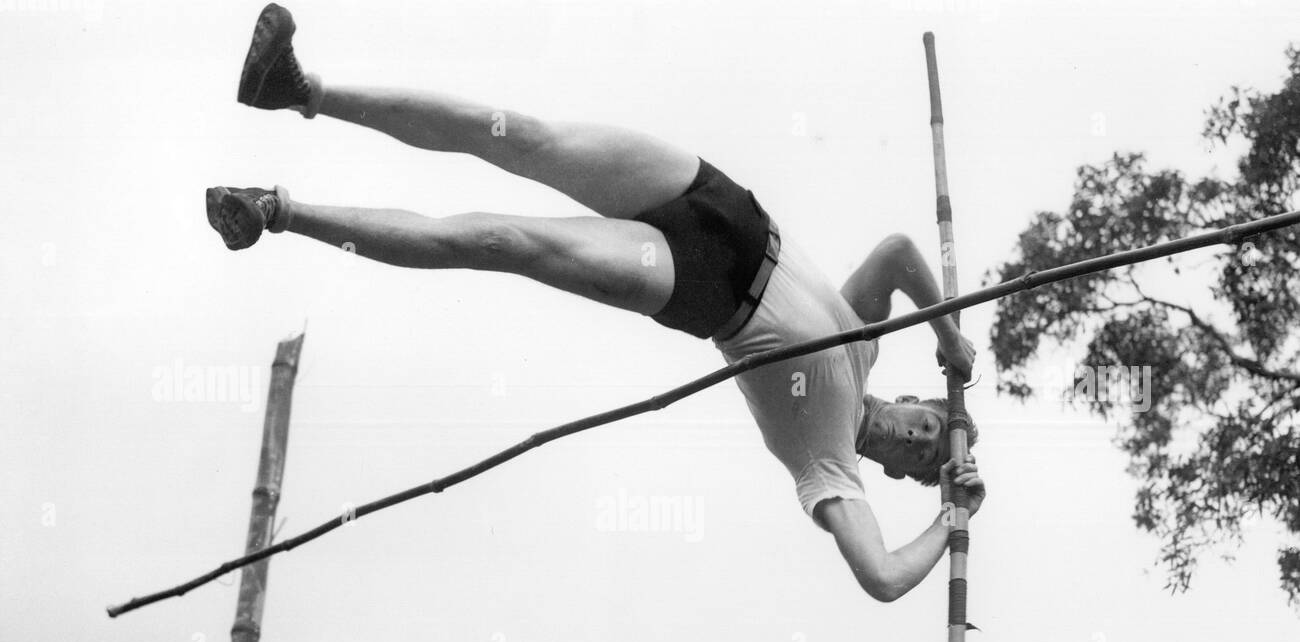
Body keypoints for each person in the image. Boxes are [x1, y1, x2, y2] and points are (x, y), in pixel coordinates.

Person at [209, 4, 986, 602]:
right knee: (521, 137)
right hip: (722, 203)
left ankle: (276, 209)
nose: (921, 436)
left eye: (925, 454)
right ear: (915, 397)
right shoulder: (866, 342)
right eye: (931, 421)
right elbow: (898, 252)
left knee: (502, 242)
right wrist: (949, 336)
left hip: (697, 286)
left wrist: (953, 516)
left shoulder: (831, 469)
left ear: (897, 472)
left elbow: (882, 577)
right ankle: (298, 90)